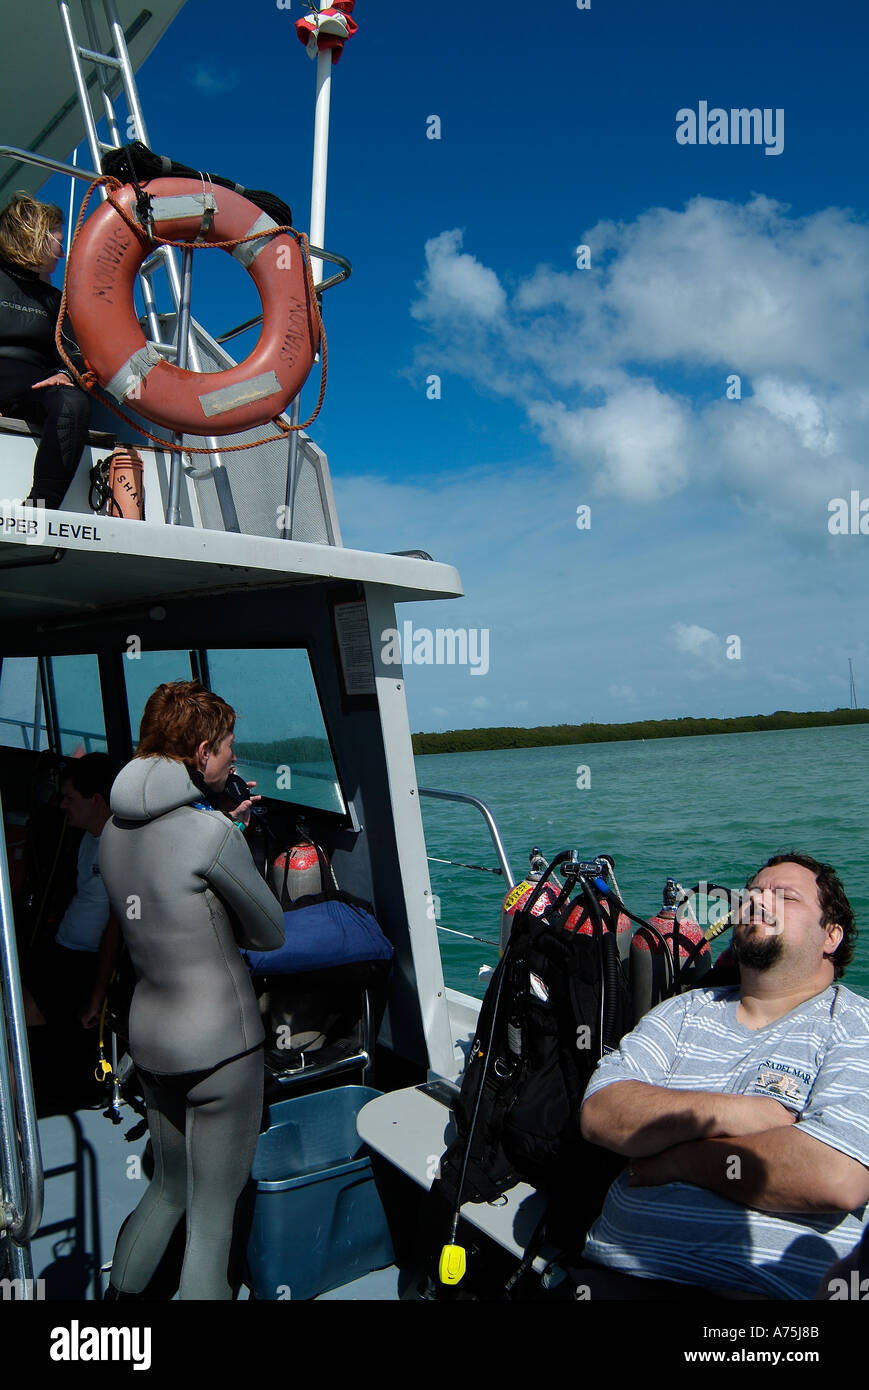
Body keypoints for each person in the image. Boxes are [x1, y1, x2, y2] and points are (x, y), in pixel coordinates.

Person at [578, 852, 869, 1300]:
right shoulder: (682, 1011)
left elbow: (836, 1175)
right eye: (753, 895)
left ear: (831, 935)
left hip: (764, 1291)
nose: (759, 902)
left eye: (785, 897)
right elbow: (602, 1112)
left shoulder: (854, 1025)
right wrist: (744, 1115)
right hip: (613, 1275)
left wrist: (679, 1161)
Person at [99, 680, 285, 1300]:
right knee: (211, 1223)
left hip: (150, 1039)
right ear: (202, 751)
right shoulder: (213, 836)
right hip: (219, 1049)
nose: (235, 760)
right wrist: (233, 841)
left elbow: (163, 903)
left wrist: (215, 829)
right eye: (229, 747)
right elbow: (269, 933)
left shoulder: (109, 832)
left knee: (166, 1190)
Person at [0, 192, 91, 508]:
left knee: (72, 401)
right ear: (32, 236)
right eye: (57, 241)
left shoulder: (56, 301)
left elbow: (76, 356)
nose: (63, 252)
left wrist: (64, 373)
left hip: (30, 392)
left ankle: (41, 508)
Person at [23, 753, 120, 1032]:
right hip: (62, 949)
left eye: (70, 798)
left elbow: (118, 925)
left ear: (96, 800)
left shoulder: (117, 848)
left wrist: (97, 997)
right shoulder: (87, 839)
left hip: (83, 964)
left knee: (26, 1008)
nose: (63, 805)